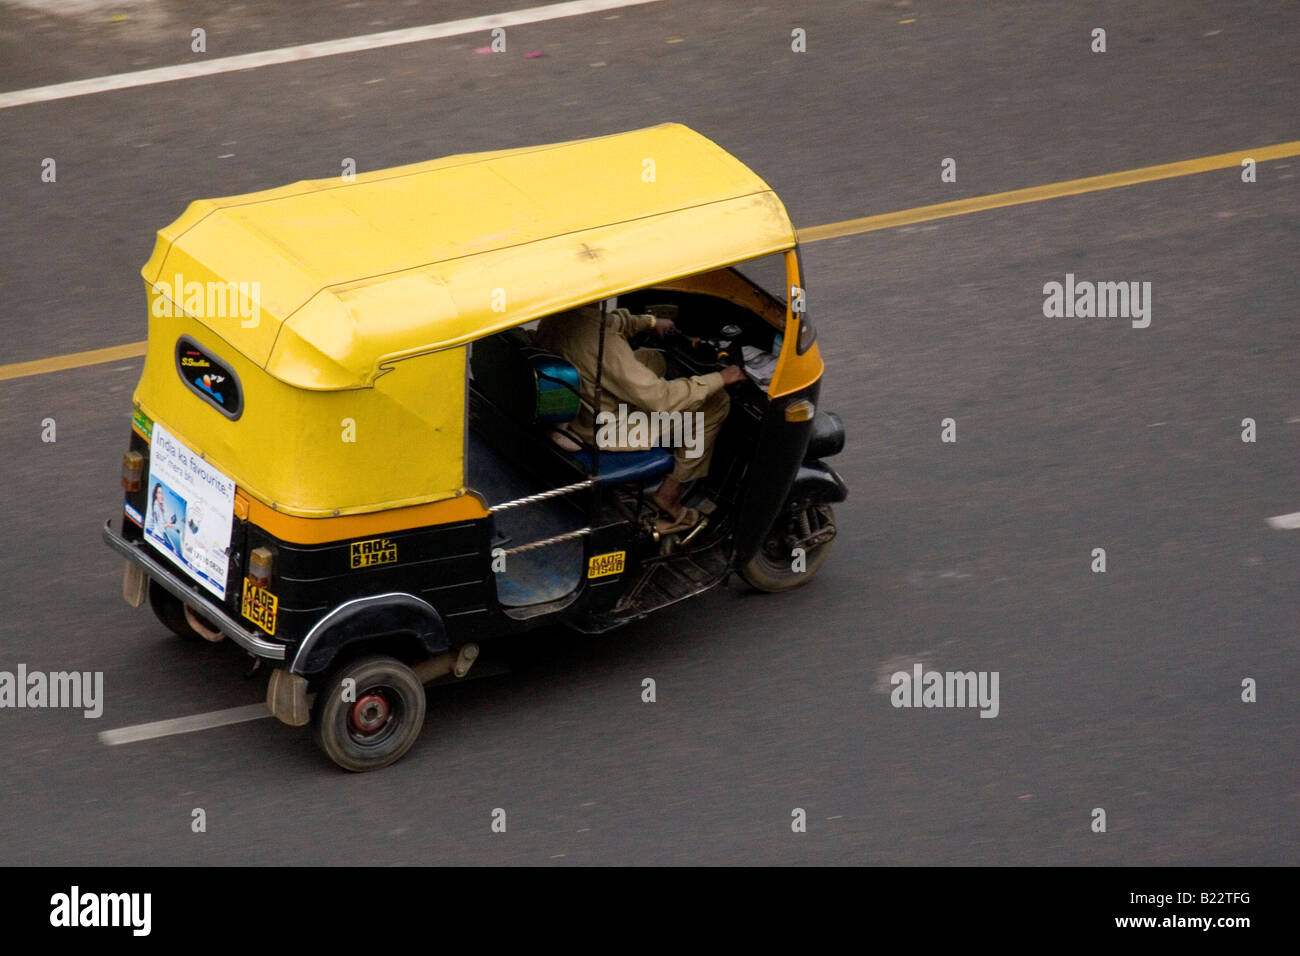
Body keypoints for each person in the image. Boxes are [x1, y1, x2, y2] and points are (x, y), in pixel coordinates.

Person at [534, 303, 744, 533]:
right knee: (717, 403)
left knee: (652, 358)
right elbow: (661, 398)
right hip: (605, 428)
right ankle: (670, 493)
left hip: (582, 407)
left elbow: (612, 323)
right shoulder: (603, 343)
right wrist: (719, 378)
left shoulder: (561, 317)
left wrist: (651, 322)